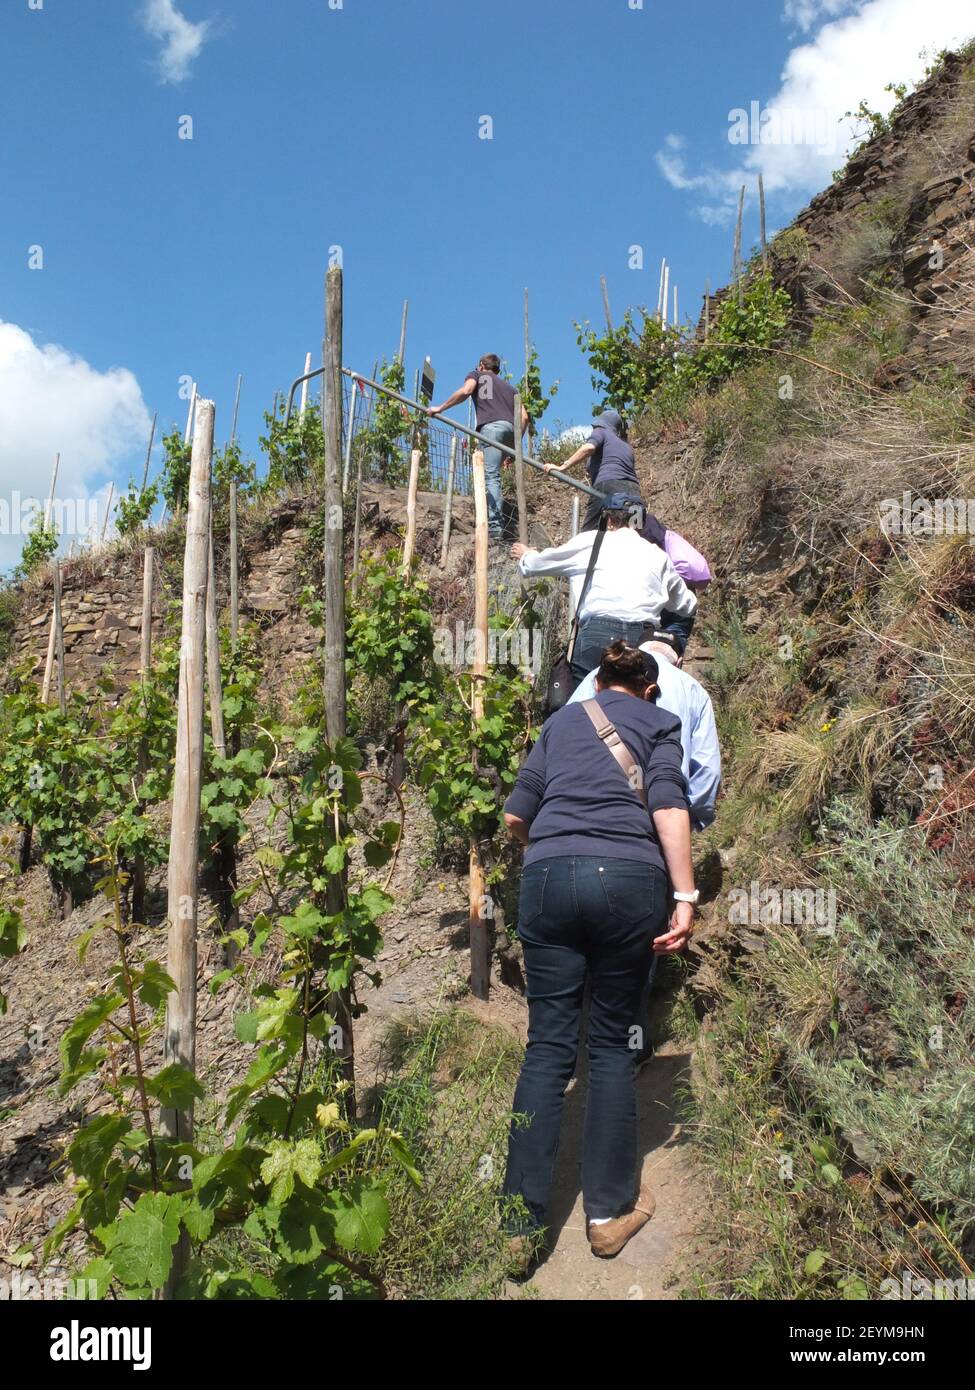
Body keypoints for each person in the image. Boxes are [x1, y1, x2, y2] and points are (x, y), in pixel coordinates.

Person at [501, 640, 698, 1261]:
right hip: (628, 883)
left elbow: (514, 817)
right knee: (612, 1047)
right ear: (647, 688)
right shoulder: (661, 724)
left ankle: (518, 1226)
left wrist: (560, 847)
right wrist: (685, 895)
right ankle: (609, 1215)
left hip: (547, 882)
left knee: (547, 1050)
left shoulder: (561, 722)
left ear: (600, 683)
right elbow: (668, 805)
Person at [511, 495, 697, 679]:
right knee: (631, 705)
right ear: (640, 522)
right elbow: (687, 605)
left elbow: (536, 565)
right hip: (641, 640)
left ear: (609, 520)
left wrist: (526, 555)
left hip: (597, 634)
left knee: (586, 705)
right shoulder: (658, 555)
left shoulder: (591, 542)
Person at [569, 633, 721, 832]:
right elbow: (707, 768)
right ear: (680, 661)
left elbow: (569, 724)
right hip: (662, 808)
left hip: (594, 799)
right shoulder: (693, 689)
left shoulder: (600, 675)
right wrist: (689, 817)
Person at [428, 354, 529, 542]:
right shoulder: (510, 389)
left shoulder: (477, 375)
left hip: (491, 428)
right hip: (510, 430)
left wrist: (440, 408)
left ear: (482, 365)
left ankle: (494, 527)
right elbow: (524, 417)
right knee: (494, 474)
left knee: (491, 476)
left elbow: (466, 391)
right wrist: (514, 447)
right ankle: (496, 520)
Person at [543, 409, 643, 531]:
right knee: (631, 534)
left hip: (608, 487)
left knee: (590, 533)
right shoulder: (627, 447)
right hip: (634, 492)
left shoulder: (602, 431)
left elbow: (588, 448)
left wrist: (562, 467)